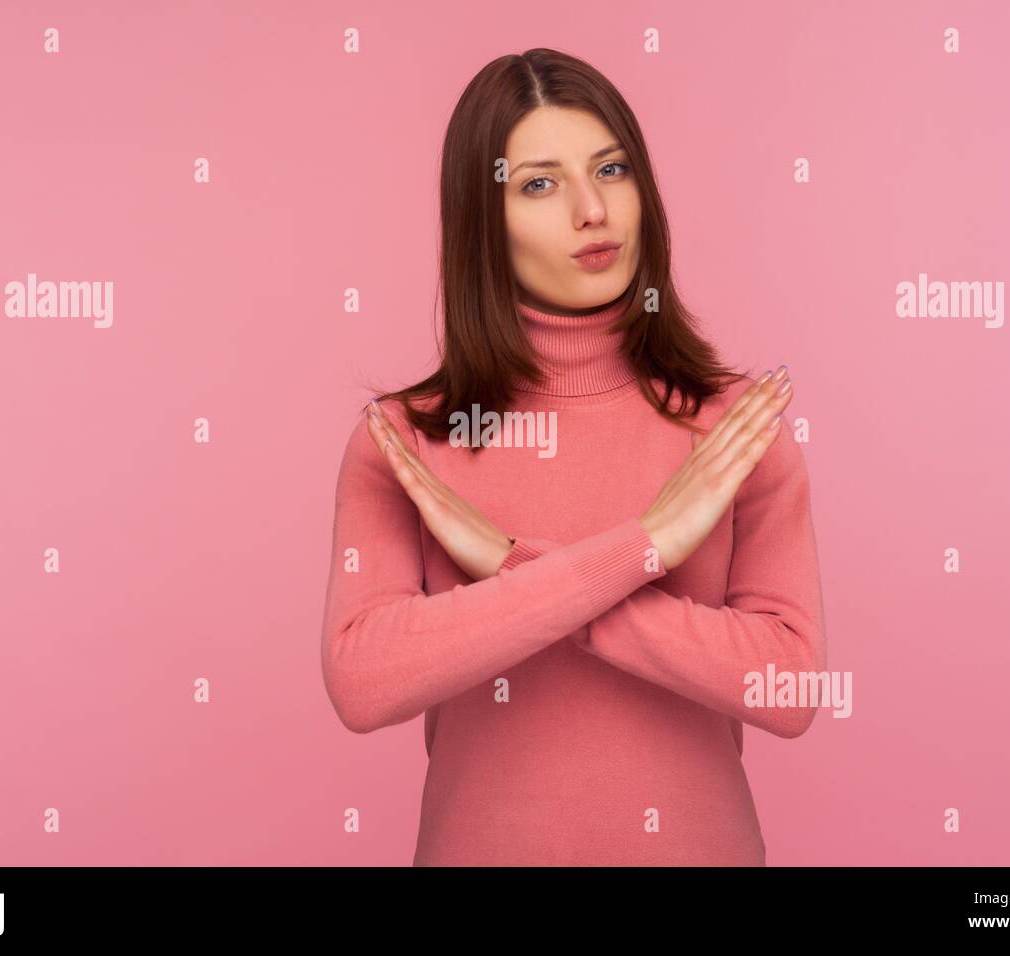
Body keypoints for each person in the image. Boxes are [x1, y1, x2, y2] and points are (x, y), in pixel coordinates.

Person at [320, 48, 826, 866]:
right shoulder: (406, 442)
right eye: (540, 184)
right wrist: (645, 544)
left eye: (612, 168)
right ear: (483, 220)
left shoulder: (735, 429)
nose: (593, 210)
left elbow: (793, 687)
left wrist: (509, 563)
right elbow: (364, 681)